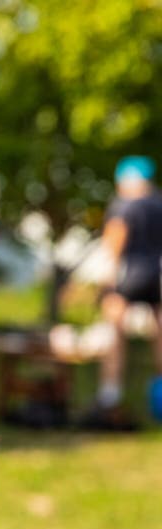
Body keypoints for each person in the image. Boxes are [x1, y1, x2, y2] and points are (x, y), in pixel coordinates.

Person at [85, 156, 162, 429]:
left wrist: (105, 284)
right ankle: (159, 398)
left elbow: (113, 246)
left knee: (115, 333)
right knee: (159, 336)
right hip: (158, 276)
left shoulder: (124, 206)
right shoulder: (158, 202)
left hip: (129, 276)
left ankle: (110, 394)